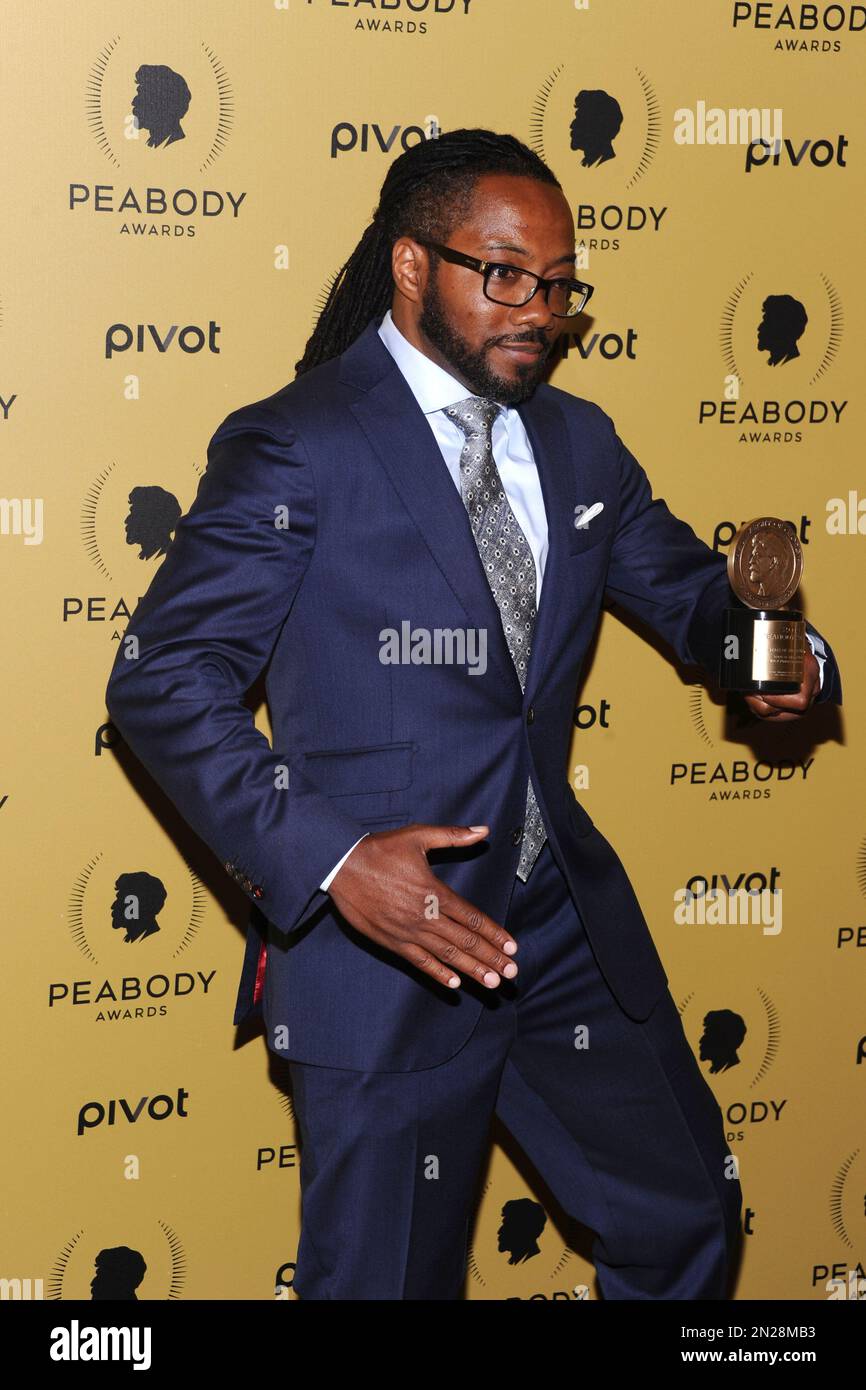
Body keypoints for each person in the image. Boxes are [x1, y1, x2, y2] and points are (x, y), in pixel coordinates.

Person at [105, 128, 842, 1300]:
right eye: (501, 274)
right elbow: (161, 674)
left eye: (556, 286)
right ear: (410, 266)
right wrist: (338, 862)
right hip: (383, 947)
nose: (535, 311)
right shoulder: (301, 442)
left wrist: (770, 649)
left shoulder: (577, 437)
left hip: (554, 928)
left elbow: (689, 593)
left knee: (685, 1216)